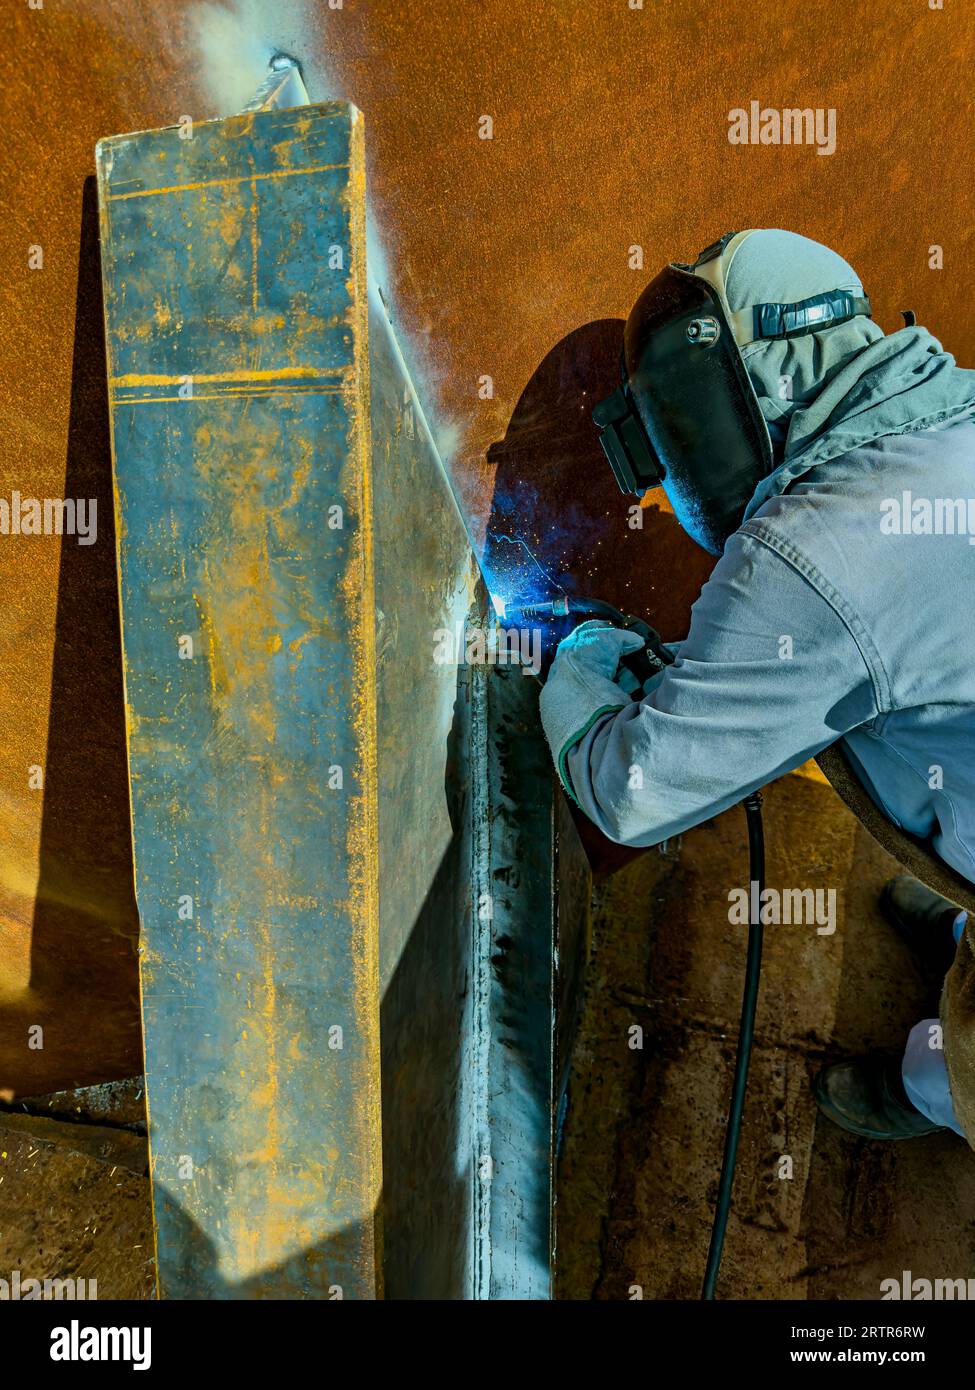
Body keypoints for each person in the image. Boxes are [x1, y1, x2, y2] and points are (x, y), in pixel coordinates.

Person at [539, 229, 975, 1141]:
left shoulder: (816, 553)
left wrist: (579, 662)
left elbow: (633, 790)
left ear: (744, 394)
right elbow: (888, 654)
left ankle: (930, 1090)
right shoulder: (948, 422)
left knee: (967, 1057)